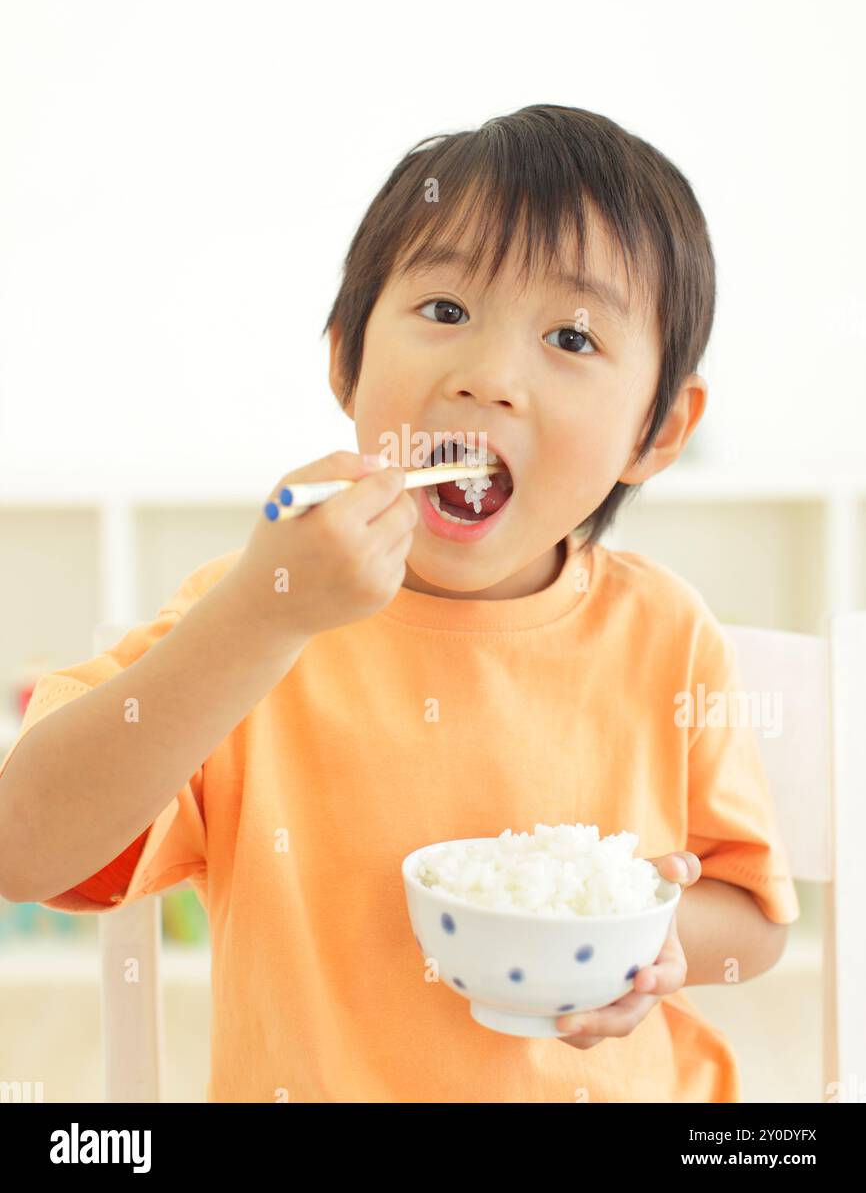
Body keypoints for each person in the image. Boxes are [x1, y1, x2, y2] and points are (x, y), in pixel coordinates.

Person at [0, 104, 799, 1102]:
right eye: (445, 312)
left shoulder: (667, 635)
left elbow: (754, 921)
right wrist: (260, 616)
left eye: (569, 335)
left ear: (658, 426)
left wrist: (635, 945)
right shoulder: (252, 618)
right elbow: (23, 845)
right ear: (345, 359)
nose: (487, 378)